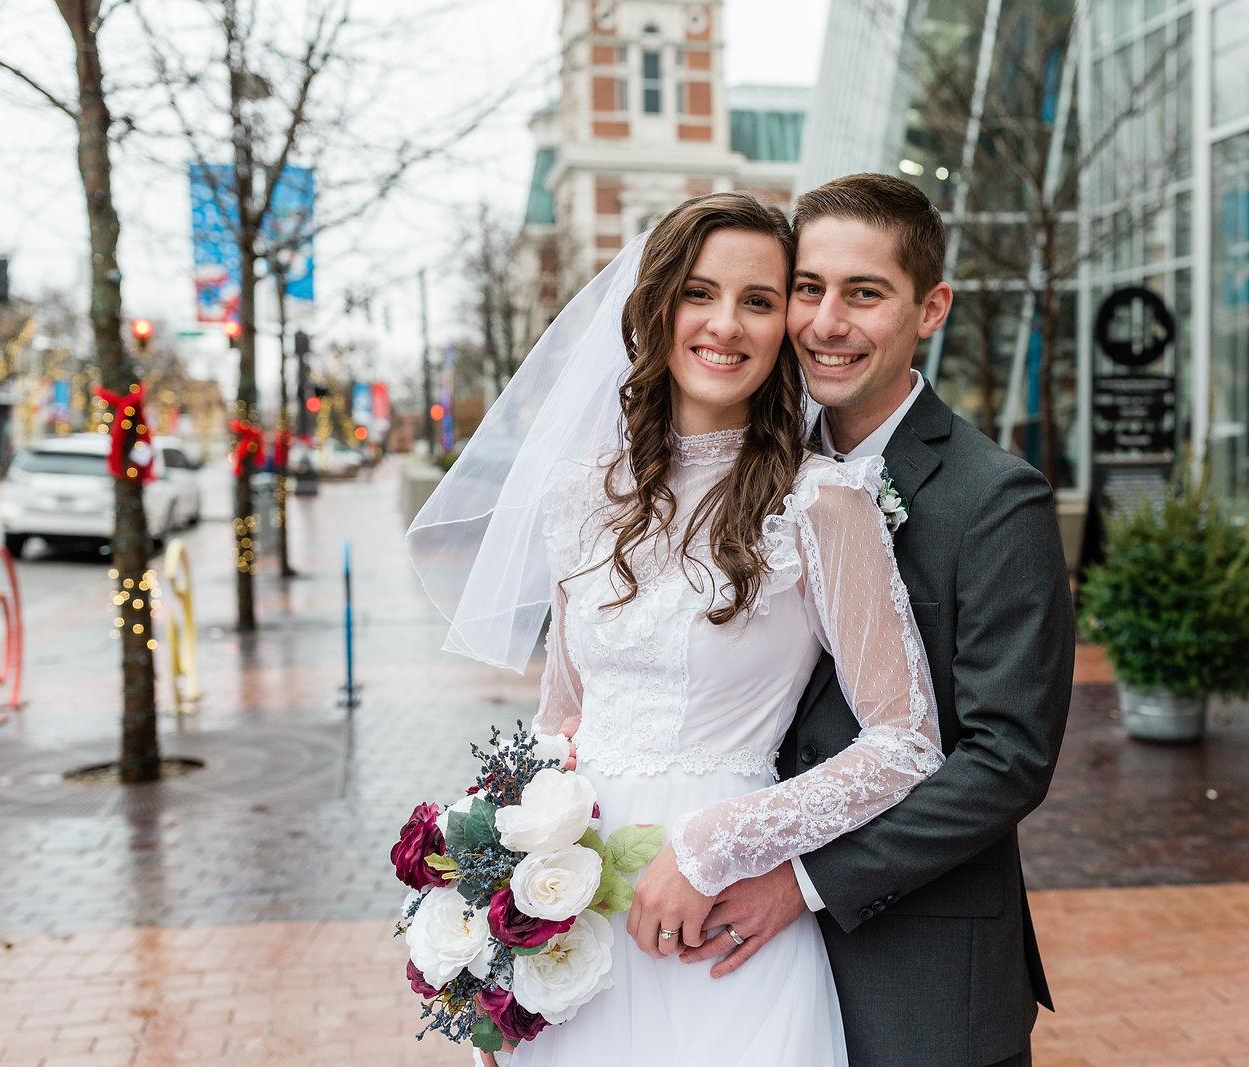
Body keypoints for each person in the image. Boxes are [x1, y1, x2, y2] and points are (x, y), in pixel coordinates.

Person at [407, 191, 943, 1066]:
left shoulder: (823, 501)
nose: (725, 324)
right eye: (699, 292)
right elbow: (561, 722)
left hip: (722, 916)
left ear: (783, 329)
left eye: (759, 301)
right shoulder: (583, 494)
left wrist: (714, 843)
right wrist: (500, 929)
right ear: (657, 307)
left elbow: (905, 741)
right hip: (575, 916)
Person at [679, 173, 1076, 1067]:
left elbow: (1007, 759)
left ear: (929, 307)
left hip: (919, 969)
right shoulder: (752, 473)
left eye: (865, 293)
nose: (826, 322)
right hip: (746, 966)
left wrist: (806, 881)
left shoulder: (995, 499)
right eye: (808, 289)